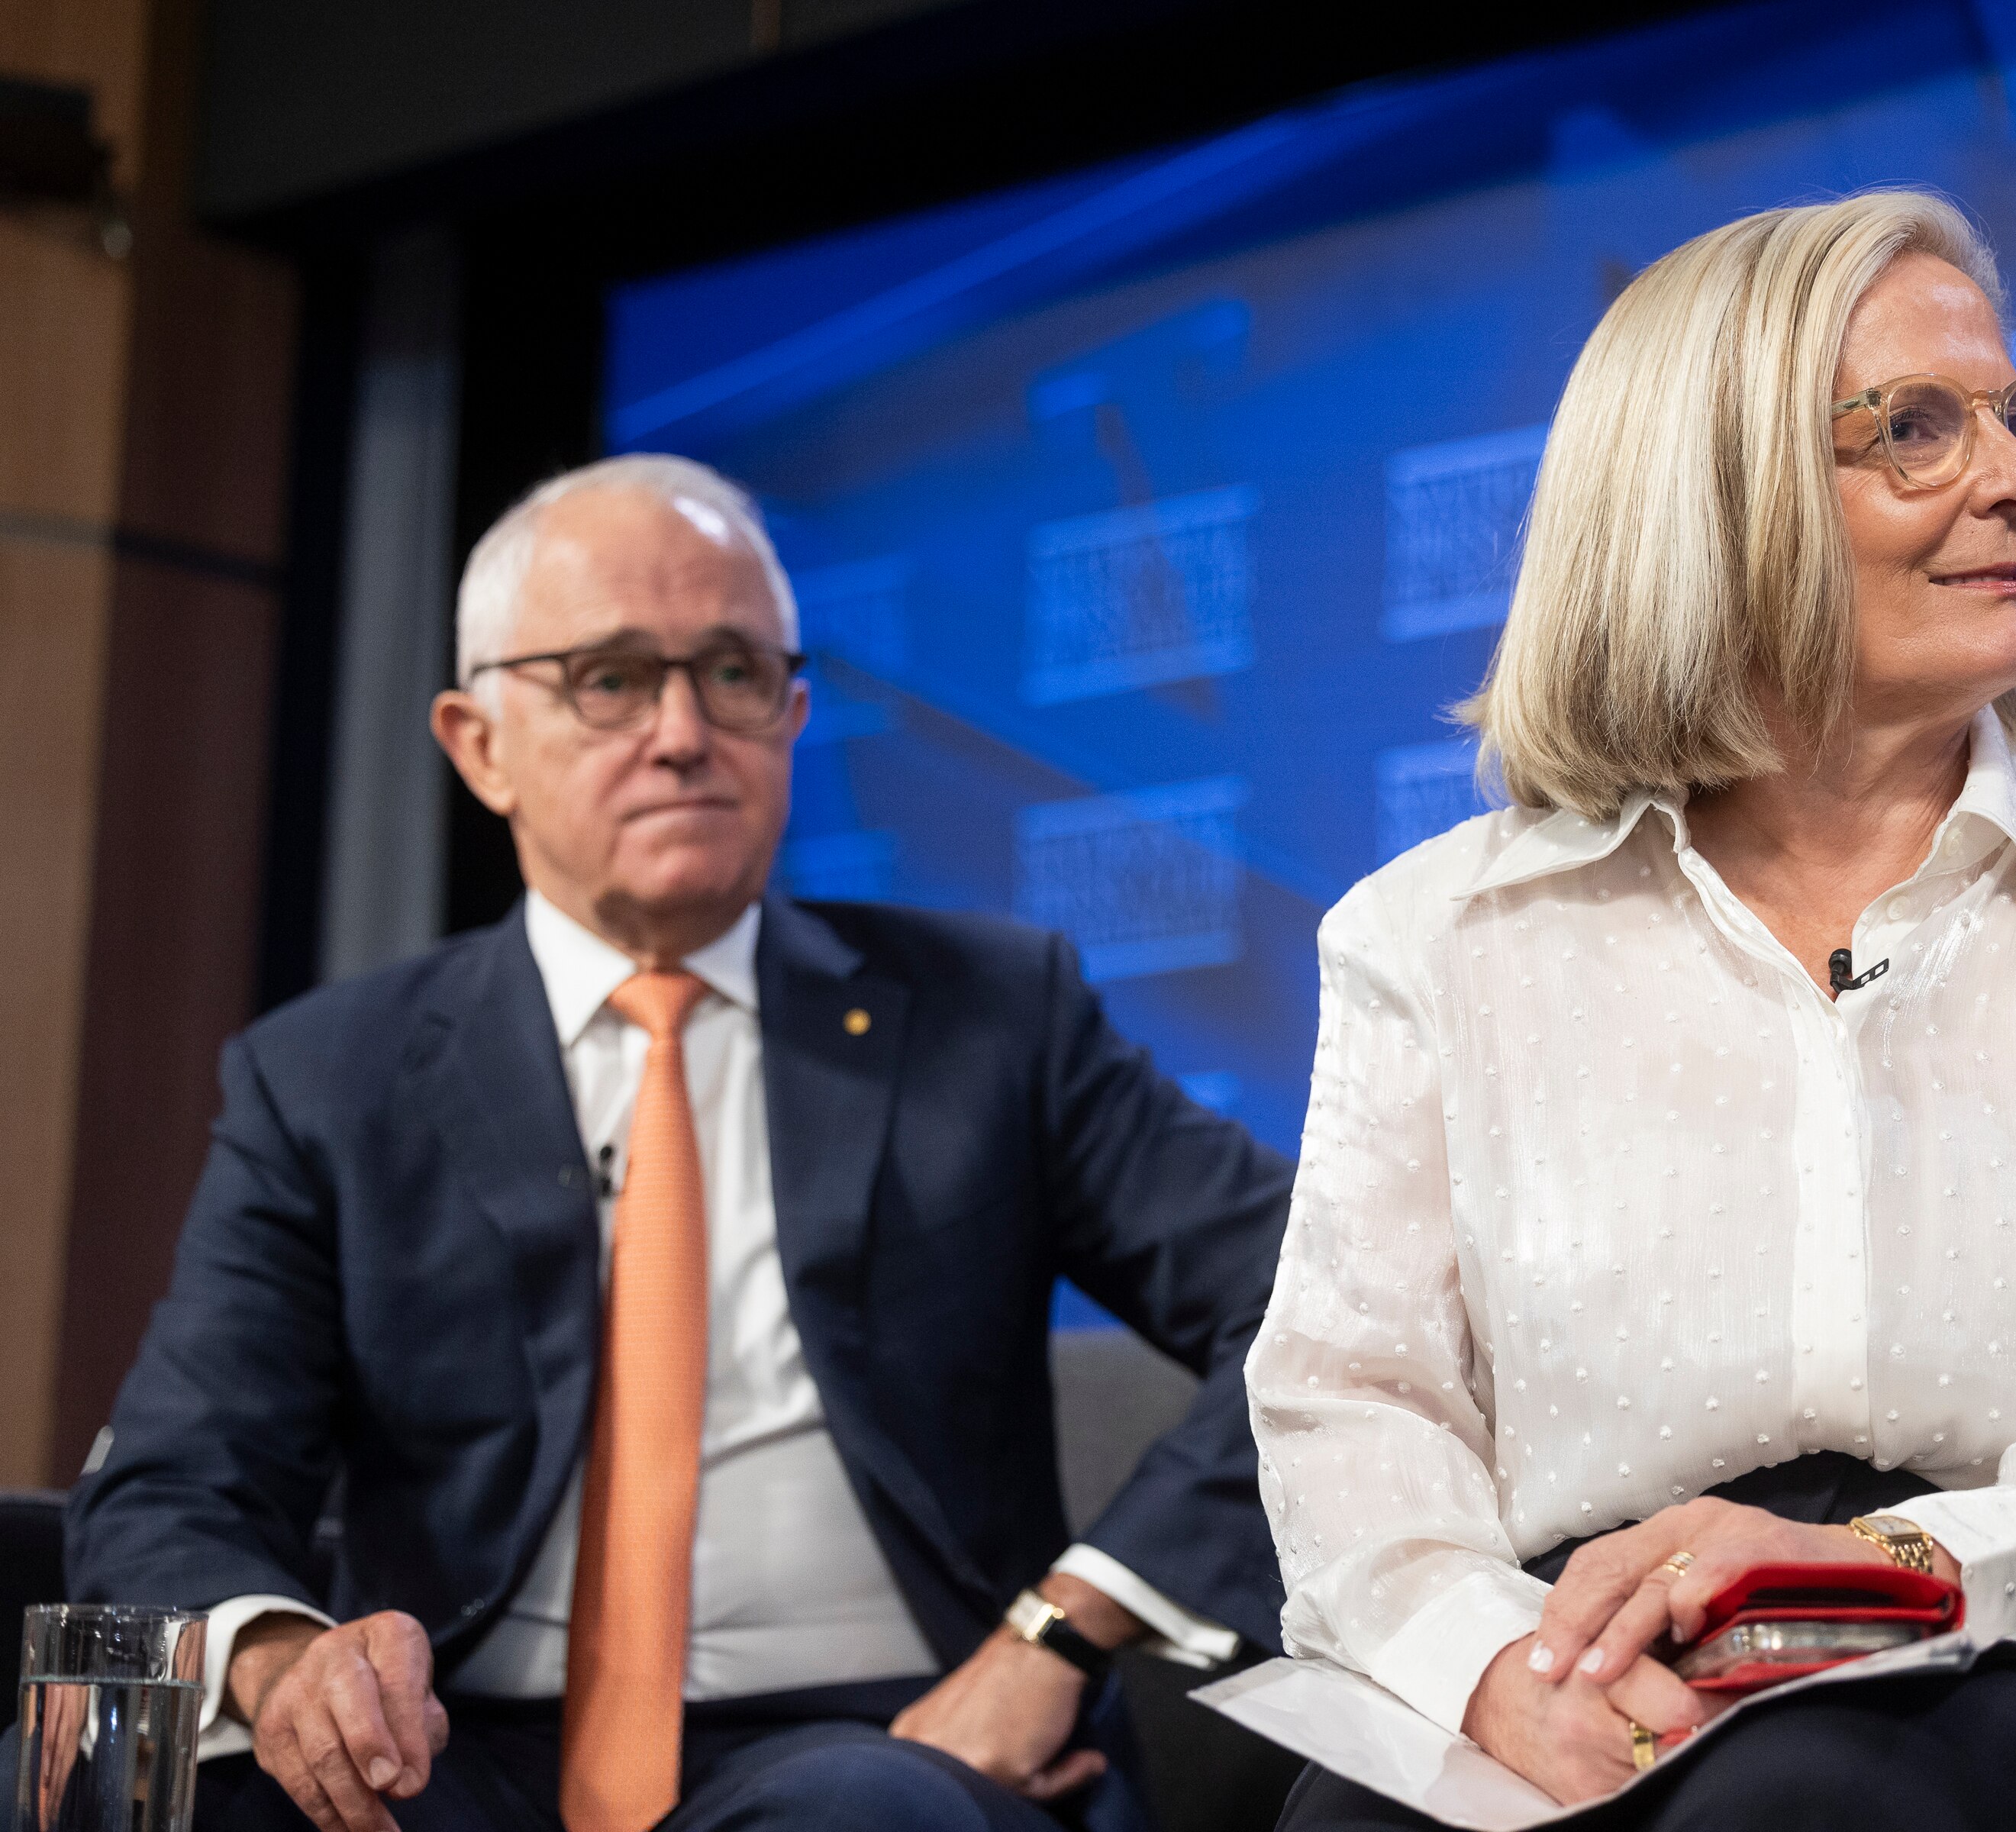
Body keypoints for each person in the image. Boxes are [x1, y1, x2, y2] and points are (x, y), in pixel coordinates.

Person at [1247, 192, 2016, 1829]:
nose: (2015, 481)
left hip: (2008, 1644)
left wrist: (1882, 1573)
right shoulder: (1434, 938)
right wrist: (1496, 1673)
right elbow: (1354, 1406)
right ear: (1708, 503)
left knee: (1794, 1802)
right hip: (1576, 1648)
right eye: (1917, 430)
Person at [39, 455, 1292, 1832]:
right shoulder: (330, 1079)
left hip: (887, 1736)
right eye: (612, 679)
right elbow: (173, 1480)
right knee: (126, 1792)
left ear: (794, 714)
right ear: (477, 743)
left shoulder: (994, 1019)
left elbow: (1321, 1310)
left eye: (736, 674)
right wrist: (282, 1666)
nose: (685, 731)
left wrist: (1057, 1636)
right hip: (452, 1749)